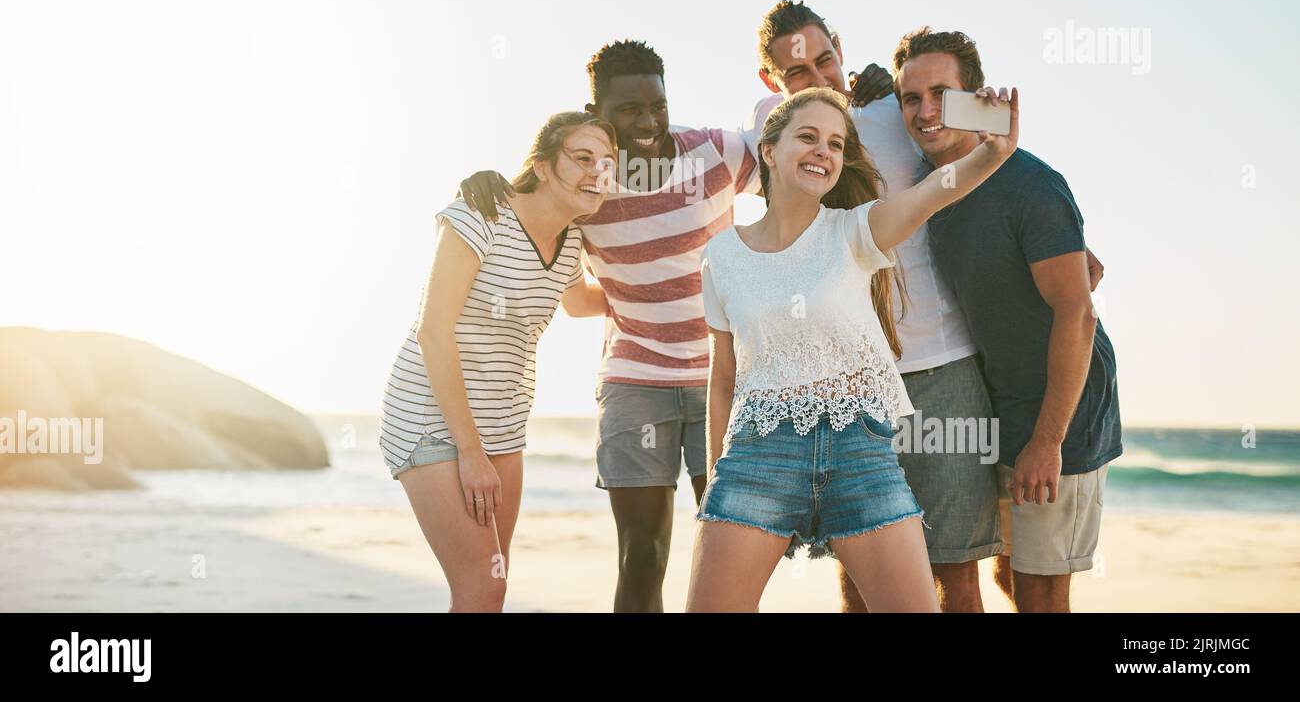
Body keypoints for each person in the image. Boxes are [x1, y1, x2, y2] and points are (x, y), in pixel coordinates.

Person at [742, 0, 1104, 612]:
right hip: (850, 383)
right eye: (799, 73)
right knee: (859, 567)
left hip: (949, 369)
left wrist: (1066, 239)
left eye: (828, 60)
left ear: (841, 48)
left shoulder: (898, 110)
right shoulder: (774, 135)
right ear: (773, 83)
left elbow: (979, 140)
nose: (821, 79)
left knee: (958, 566)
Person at [686, 84, 1018, 612]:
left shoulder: (854, 231)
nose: (824, 151)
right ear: (769, 151)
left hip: (859, 450)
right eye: (809, 137)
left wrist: (991, 153)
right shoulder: (722, 256)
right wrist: (714, 481)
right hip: (757, 454)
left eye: (836, 144)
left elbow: (935, 190)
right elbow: (722, 375)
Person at [456, 39, 760, 612]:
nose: (648, 123)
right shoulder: (585, 186)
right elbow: (535, 224)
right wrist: (479, 179)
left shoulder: (717, 154)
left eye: (657, 106)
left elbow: (802, 170)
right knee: (641, 553)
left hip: (723, 379)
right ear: (597, 114)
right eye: (629, 110)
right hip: (634, 382)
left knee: (729, 544)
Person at [892, 26, 1122, 613]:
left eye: (943, 94)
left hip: (1060, 410)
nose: (924, 112)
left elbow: (1078, 312)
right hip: (994, 406)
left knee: (1042, 594)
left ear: (976, 97)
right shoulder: (931, 187)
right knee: (1007, 578)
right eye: (910, 98)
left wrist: (1048, 442)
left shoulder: (1030, 184)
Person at [379, 111, 616, 612]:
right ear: (545, 166)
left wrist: (668, 290)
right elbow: (432, 330)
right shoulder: (480, 213)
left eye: (607, 163)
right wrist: (470, 451)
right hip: (432, 418)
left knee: (492, 583)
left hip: (503, 424)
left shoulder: (572, 241)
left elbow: (579, 303)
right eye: (582, 158)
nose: (598, 171)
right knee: (482, 588)